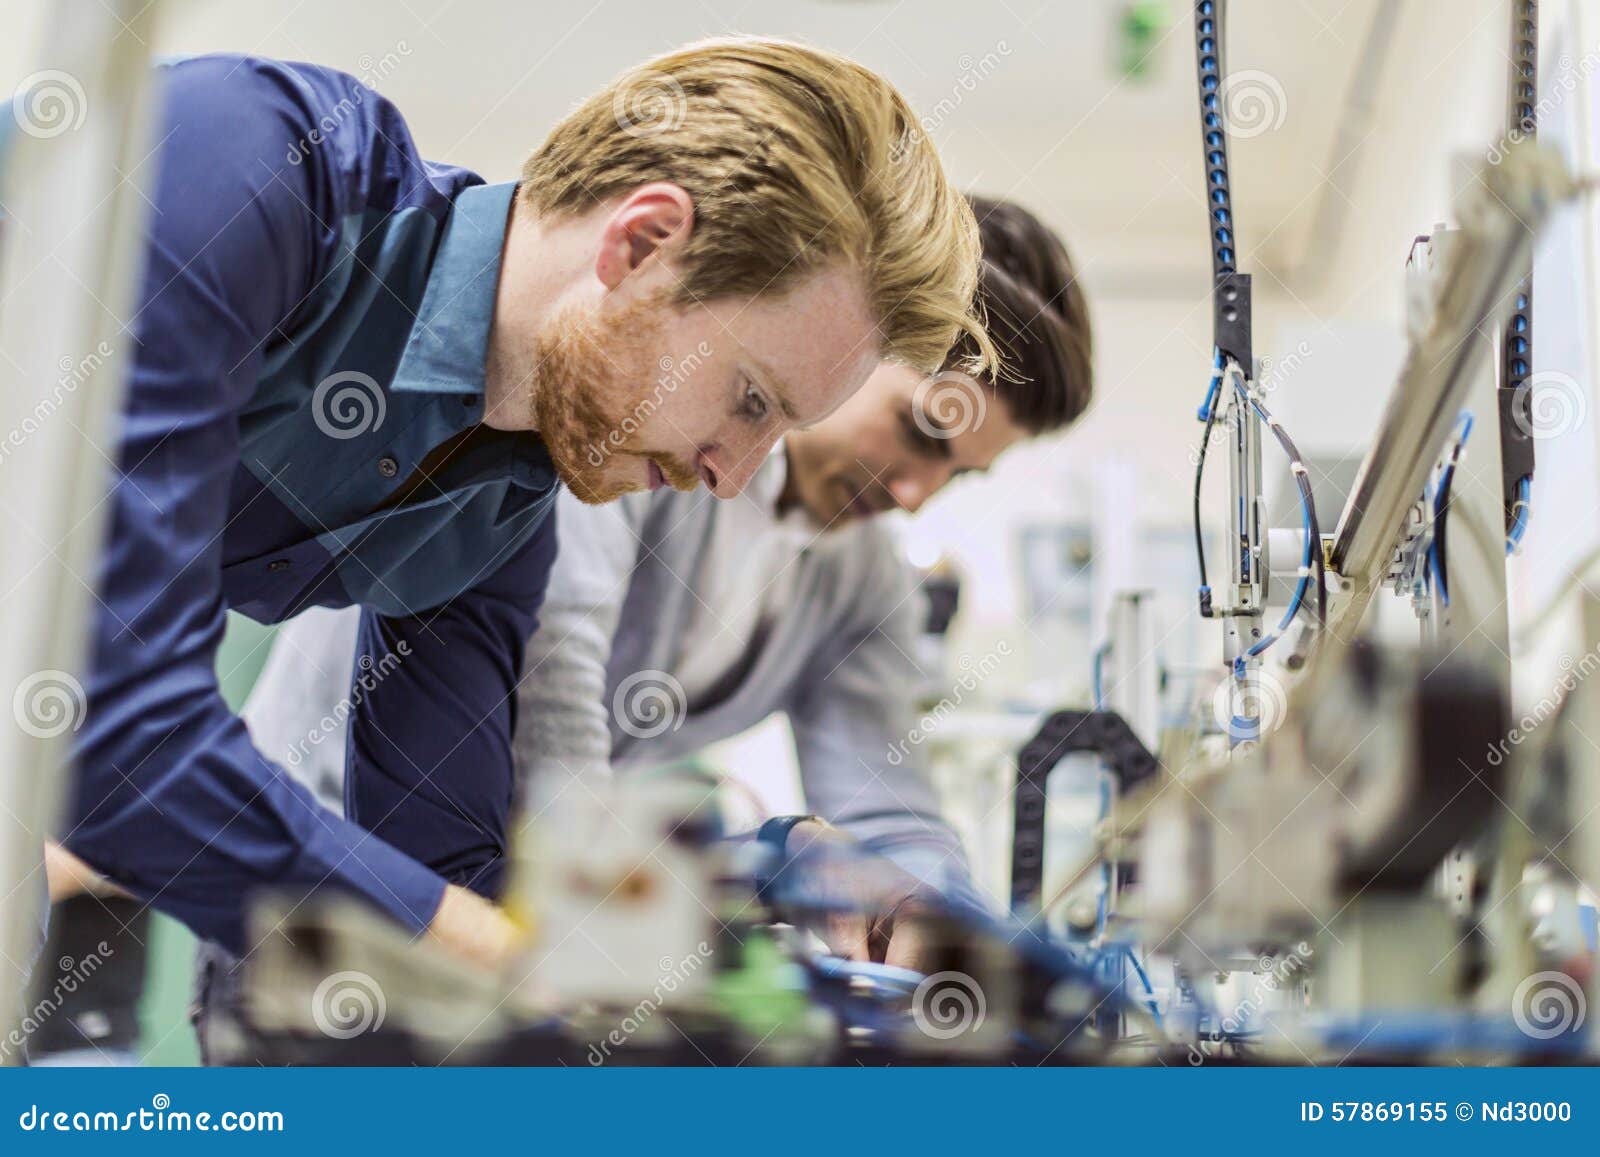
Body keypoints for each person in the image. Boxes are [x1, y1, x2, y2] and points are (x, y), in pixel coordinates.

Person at [47, 38, 991, 973]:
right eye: (749, 399)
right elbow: (111, 723)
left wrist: (778, 872)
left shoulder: (500, 509)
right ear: (643, 242)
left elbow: (453, 866)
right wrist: (480, 952)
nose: (732, 476)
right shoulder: (252, 162)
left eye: (779, 430)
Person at [235, 197, 1091, 972]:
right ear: (850, 349)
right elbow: (552, 732)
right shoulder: (658, 449)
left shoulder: (861, 573)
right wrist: (771, 862)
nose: (915, 495)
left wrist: (955, 939)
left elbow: (887, 804)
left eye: (959, 476)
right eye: (920, 434)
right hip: (329, 876)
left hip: (525, 900)